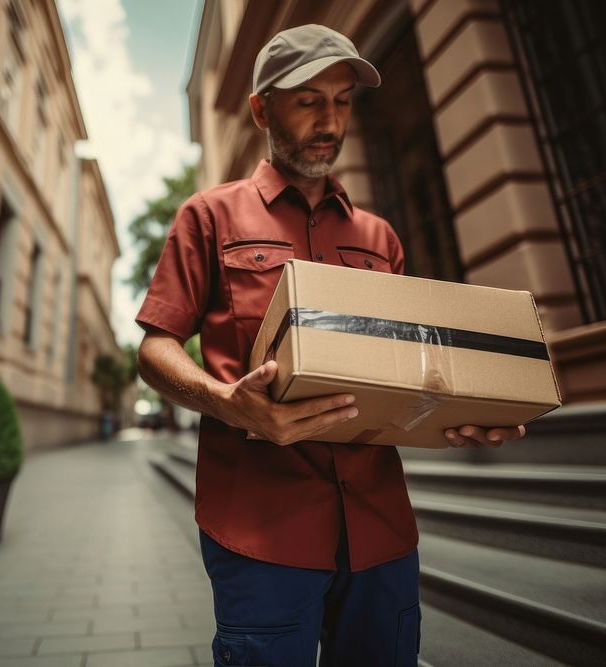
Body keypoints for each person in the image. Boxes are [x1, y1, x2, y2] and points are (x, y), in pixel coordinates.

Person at [135, 24, 527, 667]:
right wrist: (230, 402)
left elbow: (411, 371)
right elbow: (155, 348)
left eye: (342, 101)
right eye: (308, 99)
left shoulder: (380, 237)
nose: (331, 119)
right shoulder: (208, 217)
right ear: (262, 107)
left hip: (381, 531)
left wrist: (459, 415)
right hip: (260, 528)